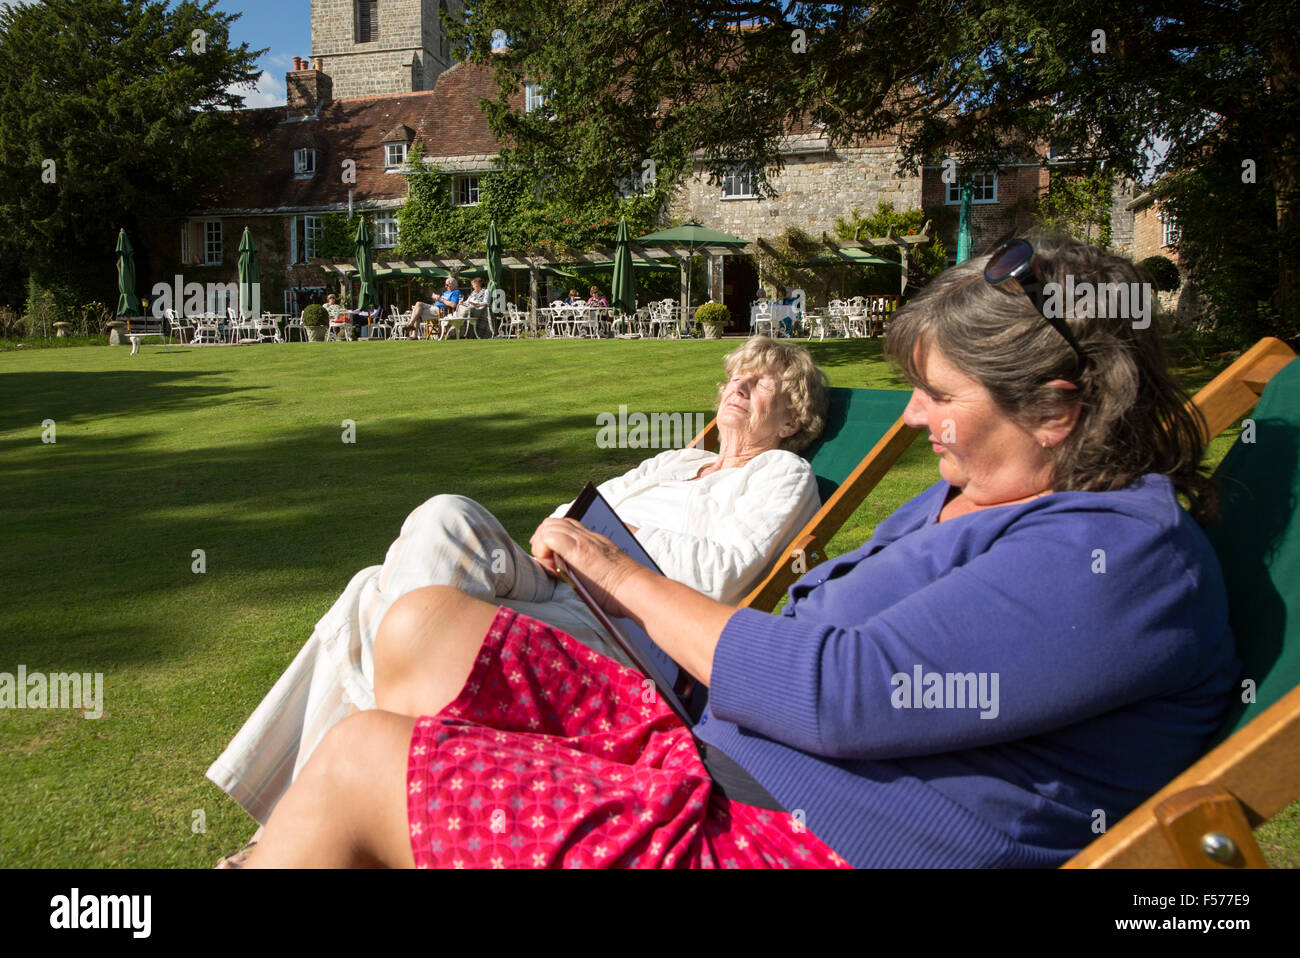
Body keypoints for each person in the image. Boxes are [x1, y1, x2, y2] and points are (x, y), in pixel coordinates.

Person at [242, 235, 1239, 869]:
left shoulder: (1121, 559)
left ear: (1057, 410)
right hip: (714, 752)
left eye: (941, 394)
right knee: (421, 623)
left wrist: (624, 580)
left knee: (359, 764)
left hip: (781, 837)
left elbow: (845, 689)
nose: (914, 416)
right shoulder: (970, 499)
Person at [210, 337, 830, 843]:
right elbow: (574, 510)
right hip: (564, 579)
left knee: (373, 590)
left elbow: (720, 574)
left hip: (632, 629)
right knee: (445, 517)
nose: (739, 388)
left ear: (795, 417)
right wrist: (576, 538)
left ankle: (301, 824)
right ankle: (360, 790)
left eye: (762, 382)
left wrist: (613, 546)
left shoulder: (783, 474)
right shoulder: (674, 461)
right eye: (734, 378)